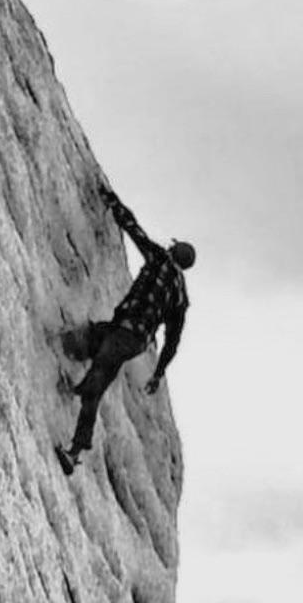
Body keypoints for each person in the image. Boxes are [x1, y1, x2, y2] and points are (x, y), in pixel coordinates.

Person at [56, 183, 195, 476]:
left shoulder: (160, 259)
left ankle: (75, 450)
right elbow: (172, 340)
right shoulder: (180, 298)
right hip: (130, 338)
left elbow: (134, 230)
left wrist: (111, 201)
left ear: (174, 251)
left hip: (124, 334)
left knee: (97, 379)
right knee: (86, 342)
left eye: (173, 246)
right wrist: (158, 372)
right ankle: (71, 382)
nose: (169, 247)